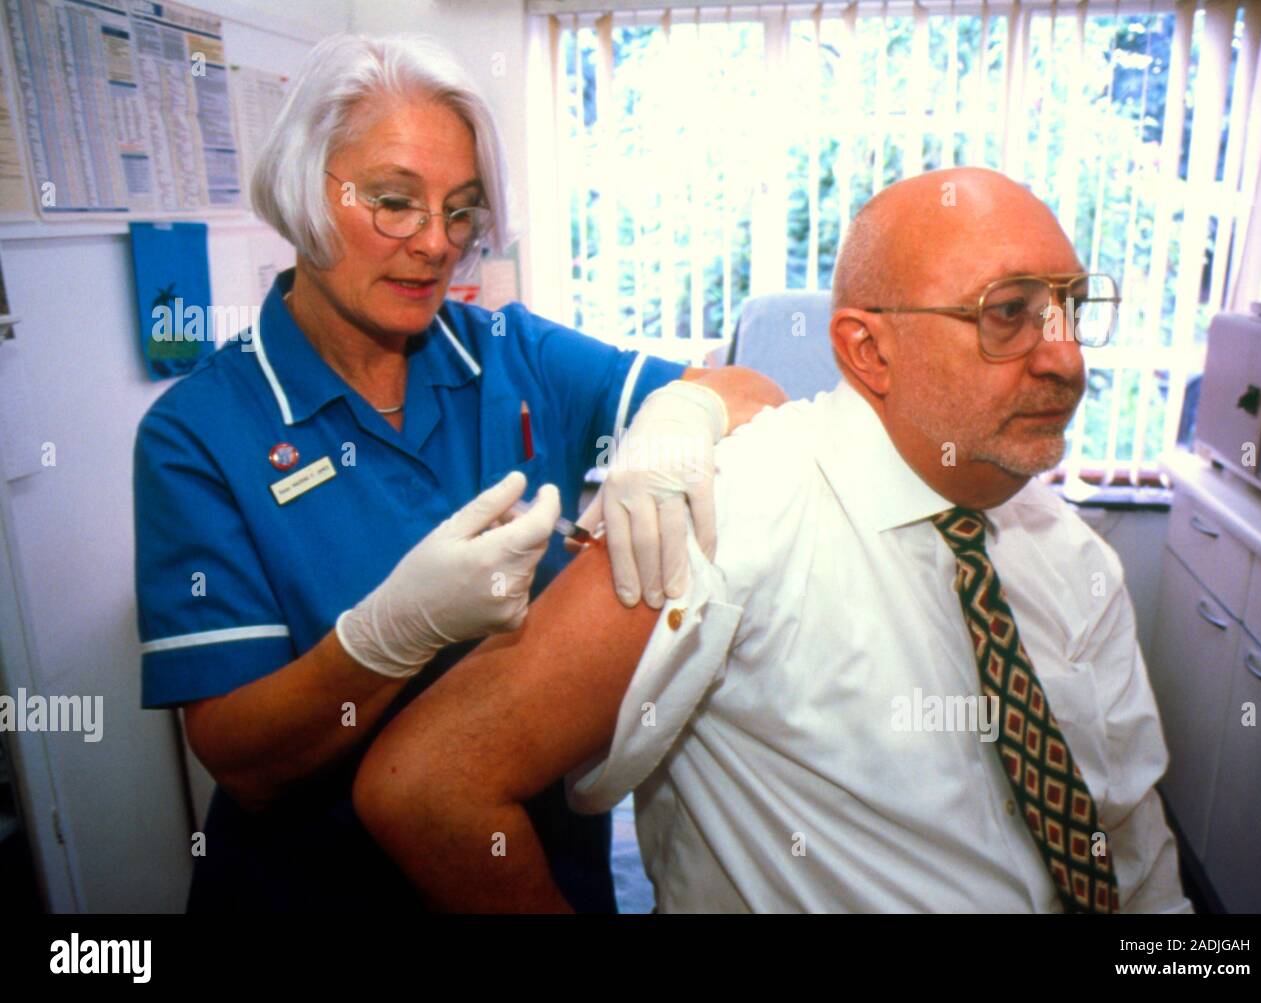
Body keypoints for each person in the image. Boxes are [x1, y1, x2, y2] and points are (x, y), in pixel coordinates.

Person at [352, 167, 1194, 914]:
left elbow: (1132, 842)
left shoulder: (1075, 557)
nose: (1067, 358)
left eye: (1071, 308)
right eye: (1009, 313)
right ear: (869, 350)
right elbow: (427, 788)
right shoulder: (729, 515)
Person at [132, 33, 783, 913]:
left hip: (531, 868)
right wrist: (387, 638)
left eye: (462, 210)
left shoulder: (510, 353)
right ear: (300, 191)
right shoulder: (200, 432)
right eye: (396, 203)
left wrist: (684, 416)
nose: (435, 244)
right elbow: (241, 760)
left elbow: (754, 393)